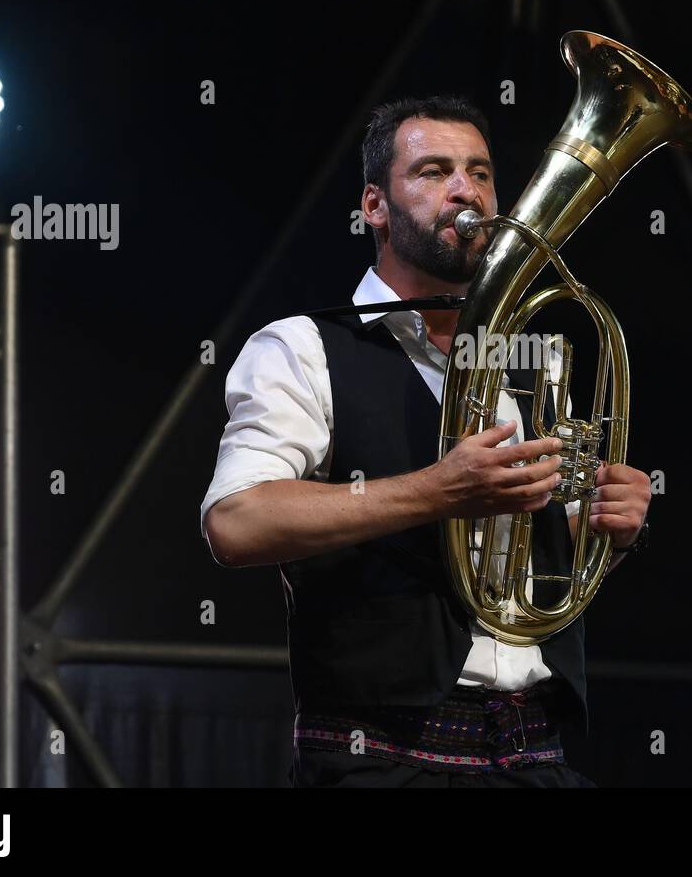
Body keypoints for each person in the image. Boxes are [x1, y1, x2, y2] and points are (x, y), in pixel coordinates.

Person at [201, 95, 651, 787]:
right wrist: (435, 491)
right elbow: (236, 523)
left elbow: (527, 579)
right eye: (434, 171)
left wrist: (603, 534)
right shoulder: (302, 346)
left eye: (479, 172)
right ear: (375, 206)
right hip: (381, 761)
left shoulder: (532, 361)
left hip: (535, 756)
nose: (465, 190)